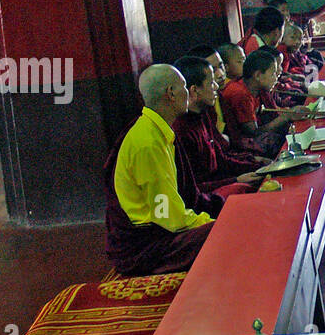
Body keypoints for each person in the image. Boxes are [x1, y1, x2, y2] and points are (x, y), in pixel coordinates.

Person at [104, 64, 214, 277]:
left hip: (159, 226)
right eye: (183, 86)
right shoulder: (148, 142)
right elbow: (167, 215)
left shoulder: (155, 129)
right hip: (145, 244)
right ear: (171, 94)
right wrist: (212, 223)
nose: (188, 93)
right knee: (221, 234)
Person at [171, 54, 270, 196]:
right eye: (211, 83)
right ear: (194, 90)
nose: (217, 87)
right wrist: (235, 180)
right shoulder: (181, 130)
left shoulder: (203, 114)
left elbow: (221, 159)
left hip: (224, 180)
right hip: (208, 196)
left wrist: (260, 166)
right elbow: (191, 190)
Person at [220, 46, 295, 158]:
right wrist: (285, 117)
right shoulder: (240, 93)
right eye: (273, 73)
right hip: (239, 145)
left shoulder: (254, 87)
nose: (276, 77)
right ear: (258, 76)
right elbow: (253, 132)